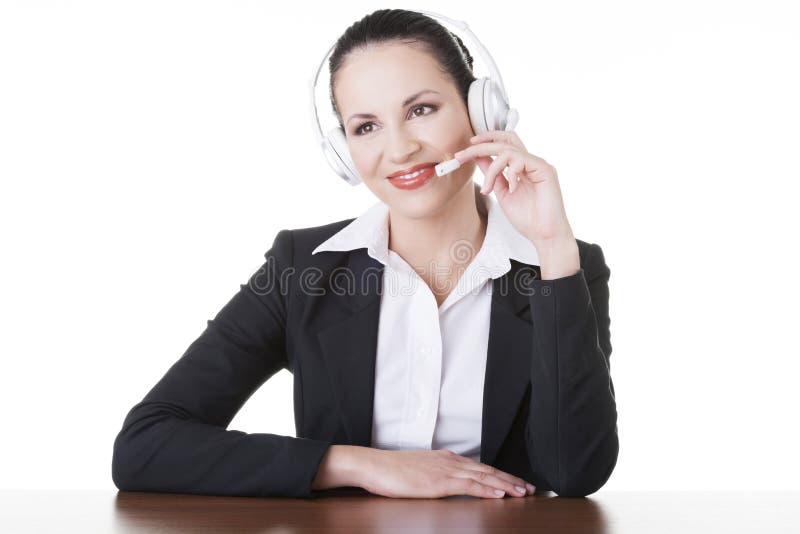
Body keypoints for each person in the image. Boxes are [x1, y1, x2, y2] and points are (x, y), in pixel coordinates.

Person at [111, 8, 618, 500]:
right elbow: (145, 446)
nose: (398, 150)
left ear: (481, 110)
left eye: (421, 110)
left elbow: (574, 472)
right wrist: (361, 464)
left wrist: (552, 248)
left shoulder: (564, 266)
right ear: (344, 150)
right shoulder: (301, 268)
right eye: (366, 126)